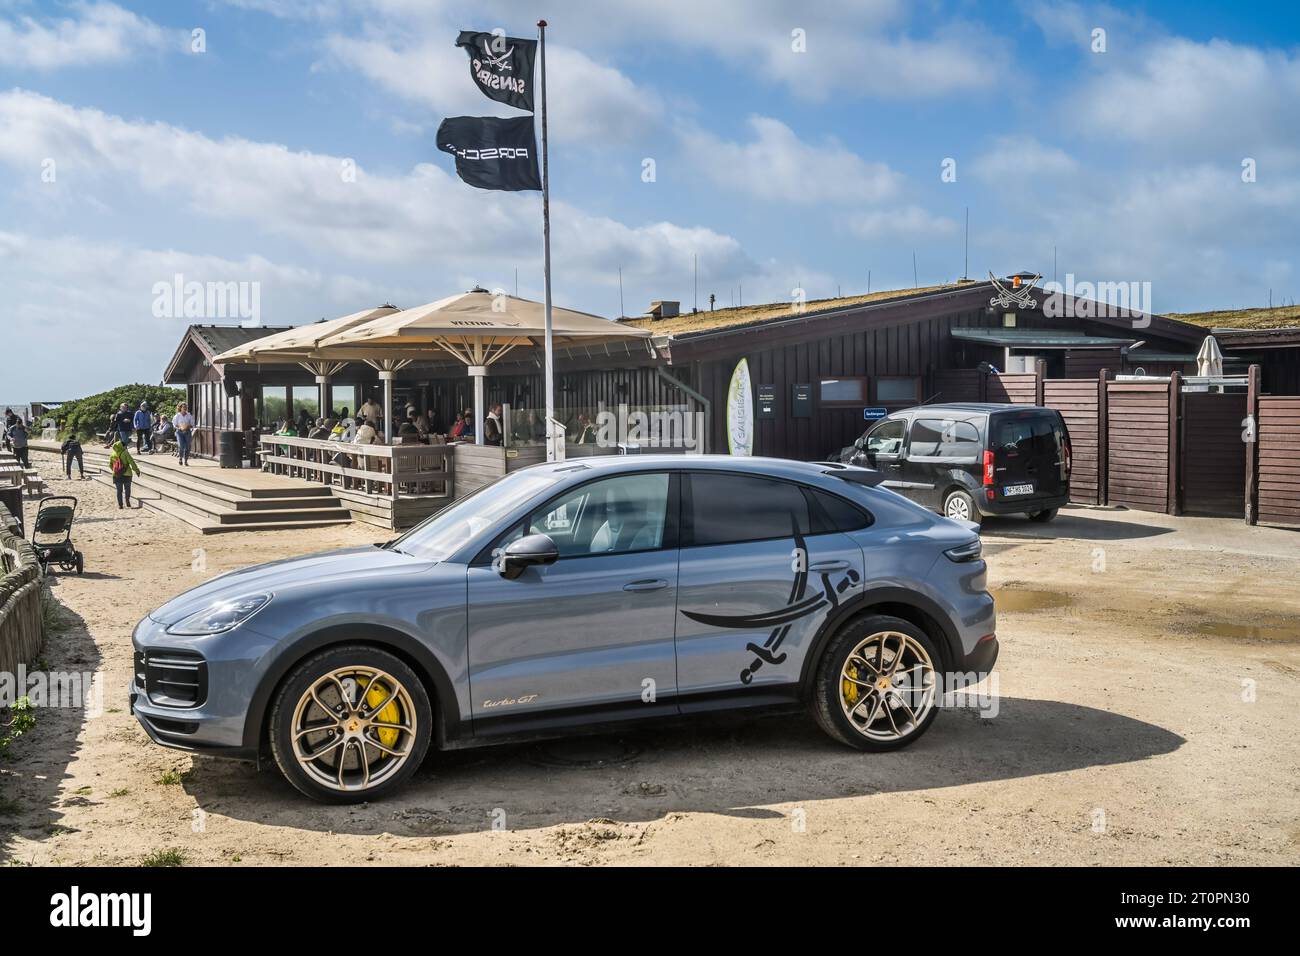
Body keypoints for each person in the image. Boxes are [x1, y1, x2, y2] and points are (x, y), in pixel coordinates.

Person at [108, 439, 140, 509]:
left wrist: (115, 470)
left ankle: (120, 505)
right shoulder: (125, 453)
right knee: (127, 488)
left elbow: (110, 465)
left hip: (116, 475)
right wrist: (137, 470)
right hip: (127, 474)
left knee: (119, 491)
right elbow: (132, 462)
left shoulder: (113, 454)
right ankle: (127, 501)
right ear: (122, 446)